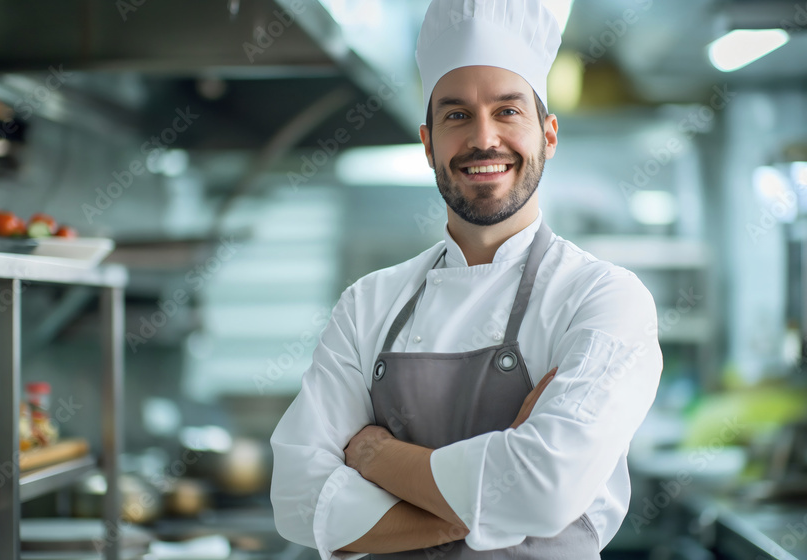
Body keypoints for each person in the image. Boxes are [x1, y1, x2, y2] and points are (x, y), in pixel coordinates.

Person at [270, 0, 662, 558]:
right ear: (428, 142)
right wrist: (485, 504)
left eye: (507, 111)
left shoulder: (602, 298)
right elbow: (296, 500)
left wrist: (376, 457)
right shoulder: (368, 303)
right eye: (457, 115)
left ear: (548, 135)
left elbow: (542, 490)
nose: (484, 139)